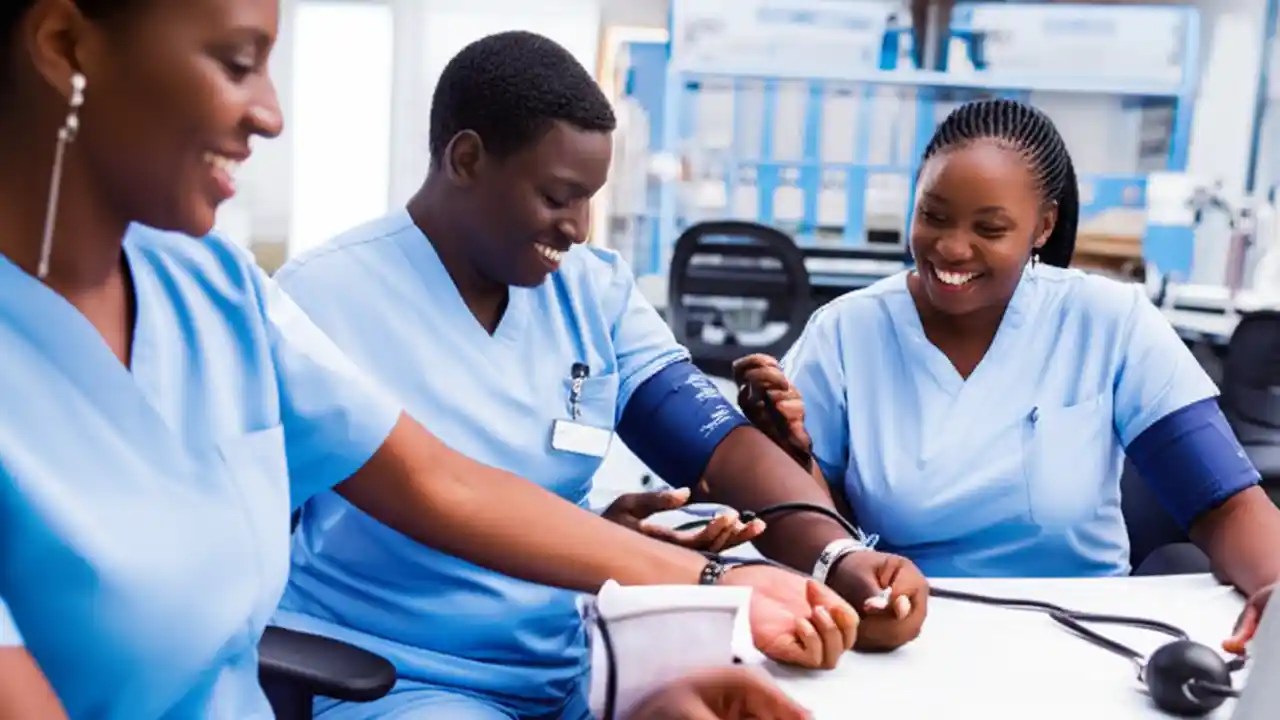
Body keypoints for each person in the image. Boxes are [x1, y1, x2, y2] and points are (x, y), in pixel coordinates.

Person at [0, 2, 861, 717]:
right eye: (236, 63)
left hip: (555, 672)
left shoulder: (216, 289)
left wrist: (728, 580)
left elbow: (438, 482)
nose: (270, 113)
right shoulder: (322, 291)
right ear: (66, 46)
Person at [270, 31, 927, 720]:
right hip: (397, 678)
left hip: (568, 677)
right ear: (466, 159)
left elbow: (714, 441)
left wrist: (837, 558)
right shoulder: (324, 300)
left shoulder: (590, 291)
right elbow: (441, 491)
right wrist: (715, 580)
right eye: (558, 196)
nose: (579, 227)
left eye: (590, 199)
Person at [733, 97, 1280, 653]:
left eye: (989, 228)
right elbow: (817, 528)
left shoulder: (1109, 322)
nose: (950, 246)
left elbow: (1226, 501)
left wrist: (1275, 591)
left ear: (1042, 227)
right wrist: (795, 455)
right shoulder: (847, 332)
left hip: (1088, 637)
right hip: (905, 634)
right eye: (933, 215)